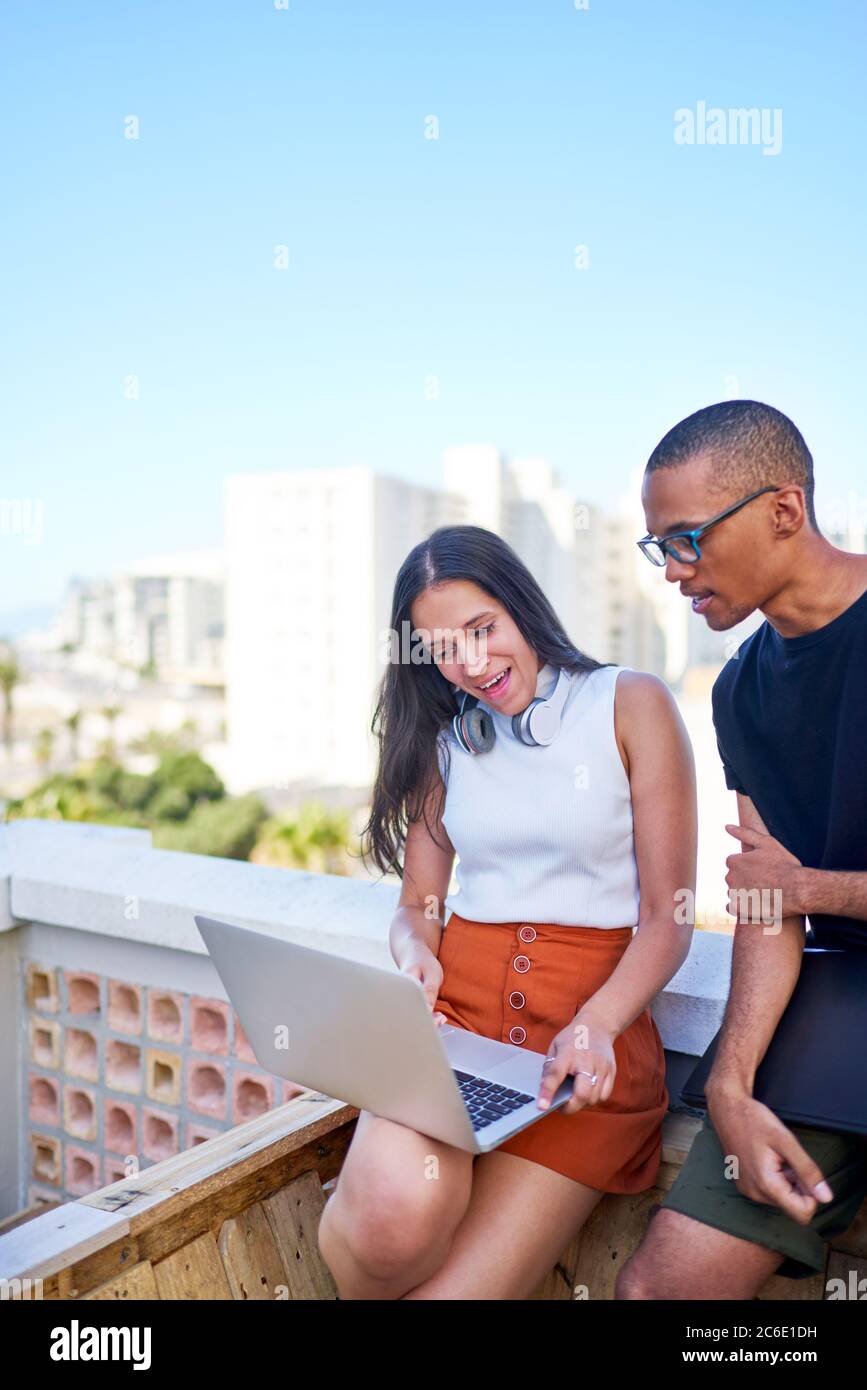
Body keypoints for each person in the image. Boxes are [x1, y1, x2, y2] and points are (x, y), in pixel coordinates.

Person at [318, 523, 696, 1299]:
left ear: (521, 607)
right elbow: (417, 906)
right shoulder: (441, 739)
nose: (471, 664)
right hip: (455, 1033)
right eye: (441, 649)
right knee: (391, 1213)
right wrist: (413, 950)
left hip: (581, 1060)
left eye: (482, 629)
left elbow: (667, 918)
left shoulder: (630, 704)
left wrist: (596, 1024)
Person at [618, 399, 867, 1300]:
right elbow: (767, 903)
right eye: (660, 549)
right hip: (840, 1011)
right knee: (656, 1294)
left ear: (783, 511)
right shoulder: (739, 691)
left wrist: (807, 886)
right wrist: (729, 1082)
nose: (674, 572)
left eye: (688, 539)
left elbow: (787, 884)